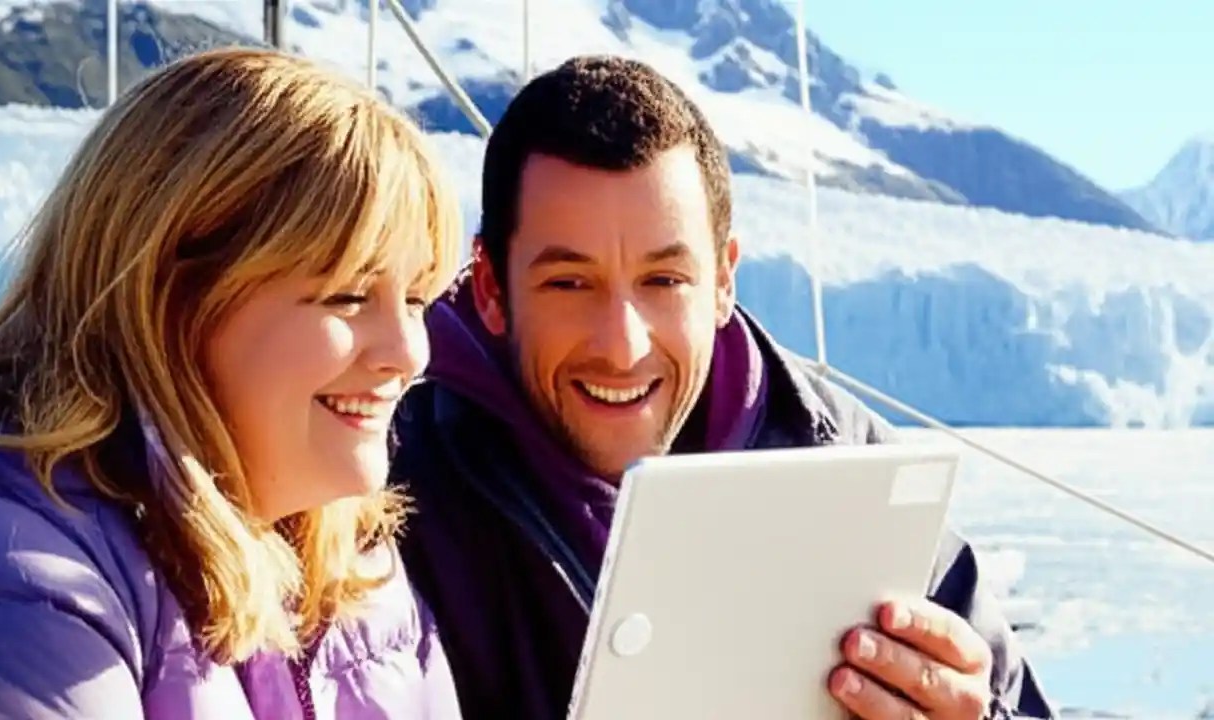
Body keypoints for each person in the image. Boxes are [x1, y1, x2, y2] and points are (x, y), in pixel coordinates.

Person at [392, 55, 1056, 720]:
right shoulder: (391, 501)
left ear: (724, 279)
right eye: (569, 283)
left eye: (664, 281)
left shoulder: (842, 459)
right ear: (490, 287)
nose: (623, 346)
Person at [0, 48, 463, 719]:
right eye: (348, 296)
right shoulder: (7, 579)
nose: (407, 353)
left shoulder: (353, 573)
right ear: (174, 301)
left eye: (416, 299)